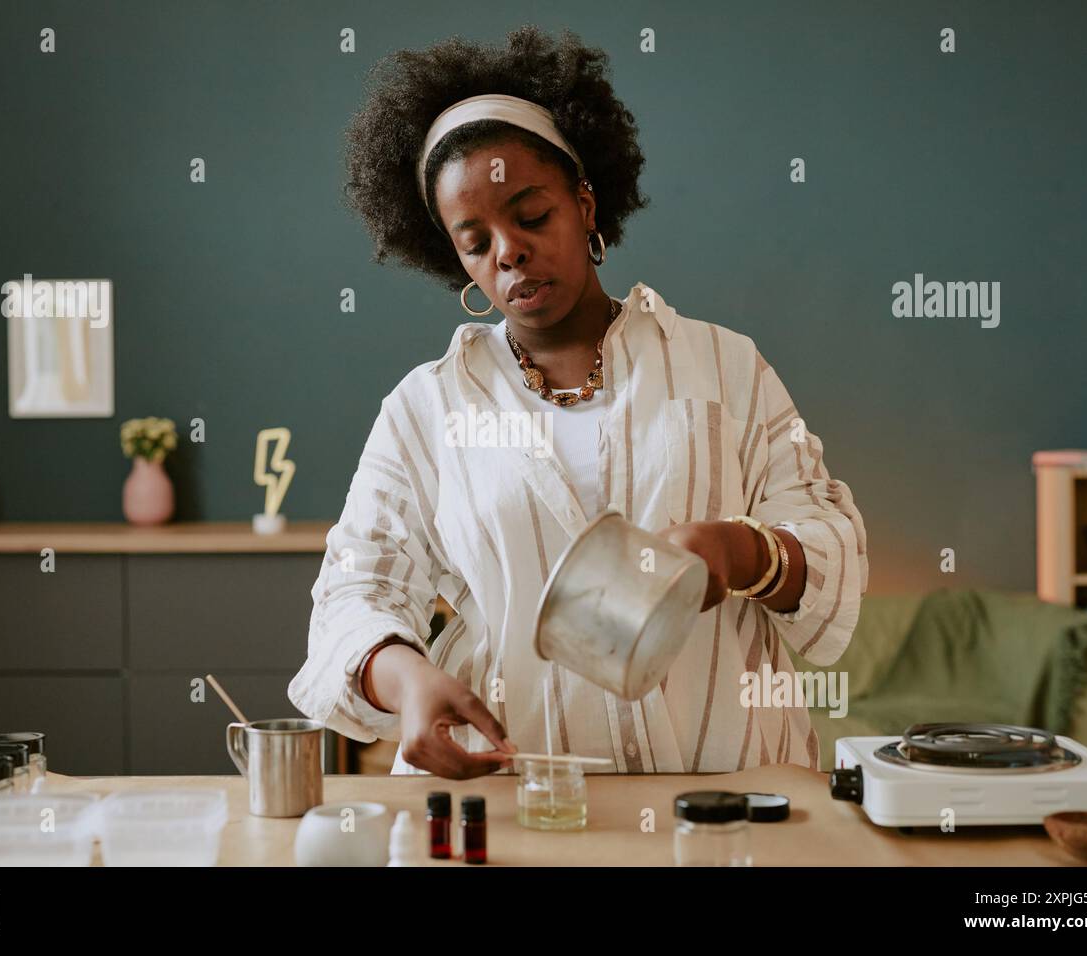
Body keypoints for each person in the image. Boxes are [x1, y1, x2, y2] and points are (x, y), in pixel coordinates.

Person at [289, 25, 868, 778]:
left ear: (586, 205)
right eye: (475, 241)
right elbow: (353, 591)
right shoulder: (425, 410)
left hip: (727, 805)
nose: (508, 251)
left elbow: (833, 552)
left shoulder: (725, 368)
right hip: (516, 797)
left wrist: (742, 551)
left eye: (531, 216)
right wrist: (406, 679)